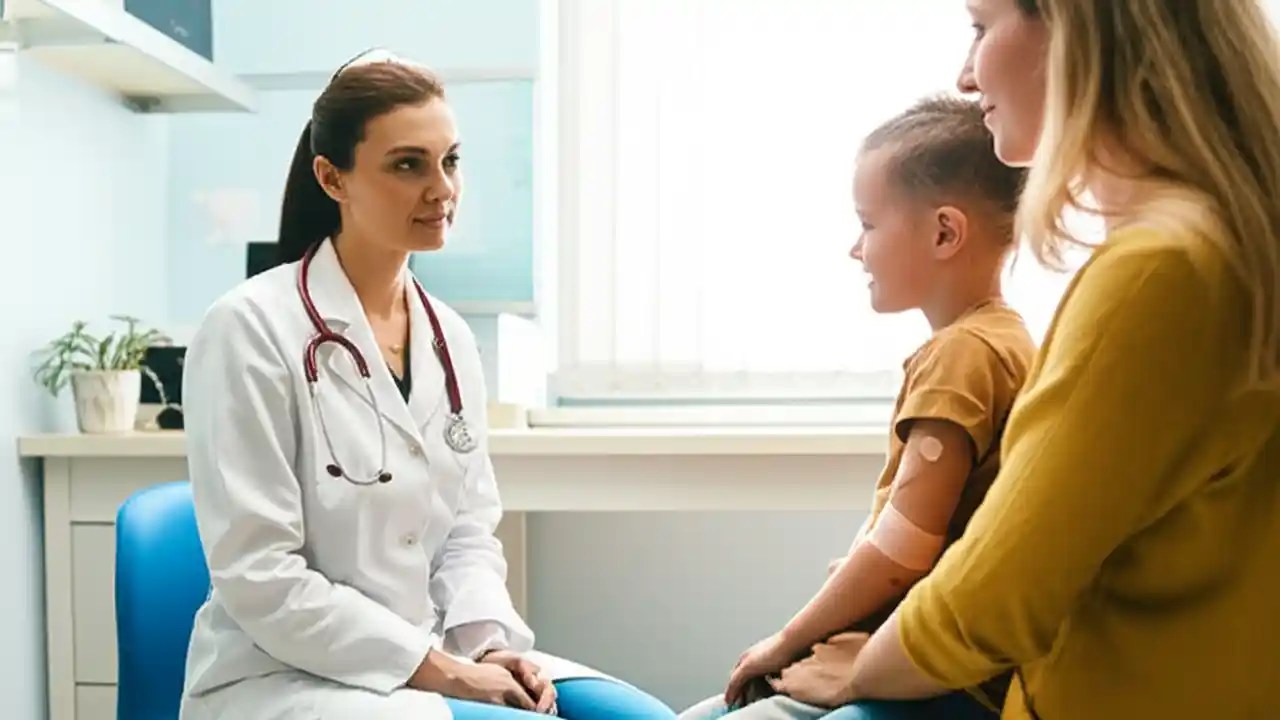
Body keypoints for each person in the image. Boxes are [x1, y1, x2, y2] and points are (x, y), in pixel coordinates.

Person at [767, 1, 1280, 718]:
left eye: (980, 27)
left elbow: (994, 597)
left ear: (1076, 26)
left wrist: (857, 668)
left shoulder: (1161, 270)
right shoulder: (1226, 243)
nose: (965, 77)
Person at [177, 49, 677, 720]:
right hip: (284, 677)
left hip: (429, 657)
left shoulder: (449, 337)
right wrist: (445, 672)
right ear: (332, 178)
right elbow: (260, 576)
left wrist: (489, 648)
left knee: (637, 717)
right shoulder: (249, 329)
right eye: (408, 165)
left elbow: (468, 534)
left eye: (451, 161)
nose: (442, 189)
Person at [679, 95, 1036, 720]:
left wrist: (785, 641)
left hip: (942, 686)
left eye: (868, 225)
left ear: (945, 233)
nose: (855, 249)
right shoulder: (1004, 343)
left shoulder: (962, 356)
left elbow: (903, 550)